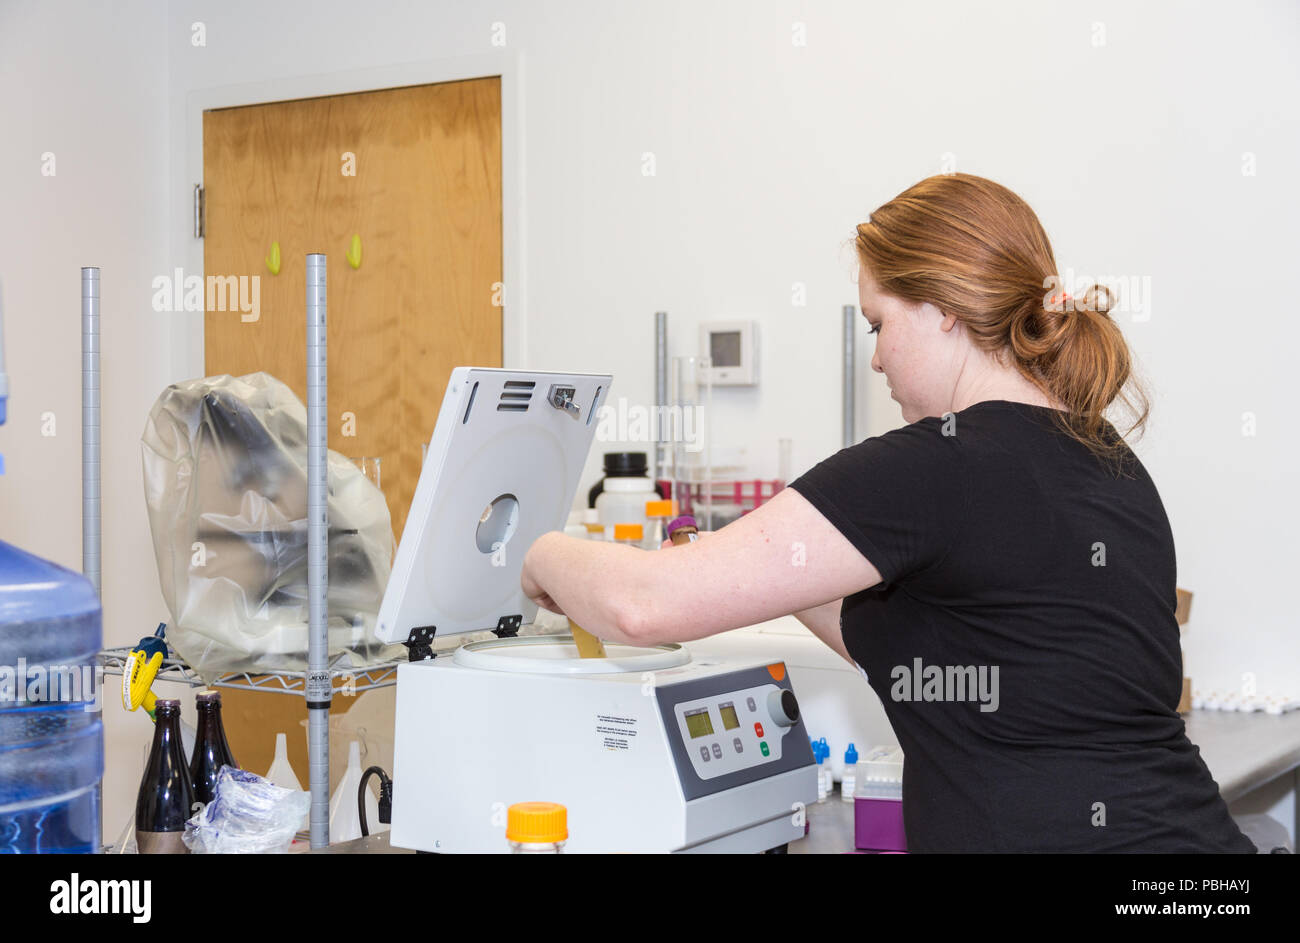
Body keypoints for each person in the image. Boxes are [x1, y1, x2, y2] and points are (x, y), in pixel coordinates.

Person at [520, 173, 1255, 853]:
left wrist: (540, 549)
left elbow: (643, 606)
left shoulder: (939, 460)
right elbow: (933, 660)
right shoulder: (1108, 459)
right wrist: (761, 557)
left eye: (877, 324)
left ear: (940, 309)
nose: (874, 358)